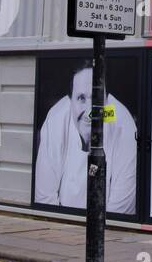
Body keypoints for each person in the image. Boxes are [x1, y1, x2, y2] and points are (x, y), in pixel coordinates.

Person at [34, 66, 138, 214]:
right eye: (81, 98)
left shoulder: (122, 124)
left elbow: (121, 209)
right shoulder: (57, 118)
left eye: (96, 97)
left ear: (107, 100)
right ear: (70, 101)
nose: (90, 111)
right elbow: (44, 197)